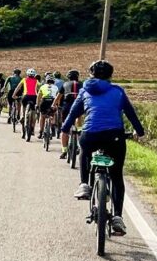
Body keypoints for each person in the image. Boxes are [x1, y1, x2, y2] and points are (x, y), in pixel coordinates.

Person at [61, 60, 145, 237]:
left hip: (91, 134)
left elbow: (74, 113)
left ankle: (84, 184)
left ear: (91, 74)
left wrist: (65, 128)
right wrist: (140, 132)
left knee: (84, 151)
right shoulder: (117, 91)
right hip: (114, 136)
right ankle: (117, 217)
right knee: (116, 175)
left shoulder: (84, 91)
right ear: (110, 75)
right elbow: (130, 113)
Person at [58, 70, 83, 159]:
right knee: (79, 115)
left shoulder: (65, 84)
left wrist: (54, 104)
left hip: (67, 107)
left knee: (64, 130)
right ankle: (79, 130)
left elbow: (58, 97)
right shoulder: (81, 84)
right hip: (79, 107)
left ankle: (64, 151)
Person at [14, 68, 40, 141]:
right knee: (34, 111)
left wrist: (14, 95)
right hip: (34, 97)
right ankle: (32, 126)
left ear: (27, 74)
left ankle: (22, 116)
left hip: (26, 96)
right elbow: (40, 87)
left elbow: (18, 88)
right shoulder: (36, 81)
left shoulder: (24, 80)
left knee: (23, 106)